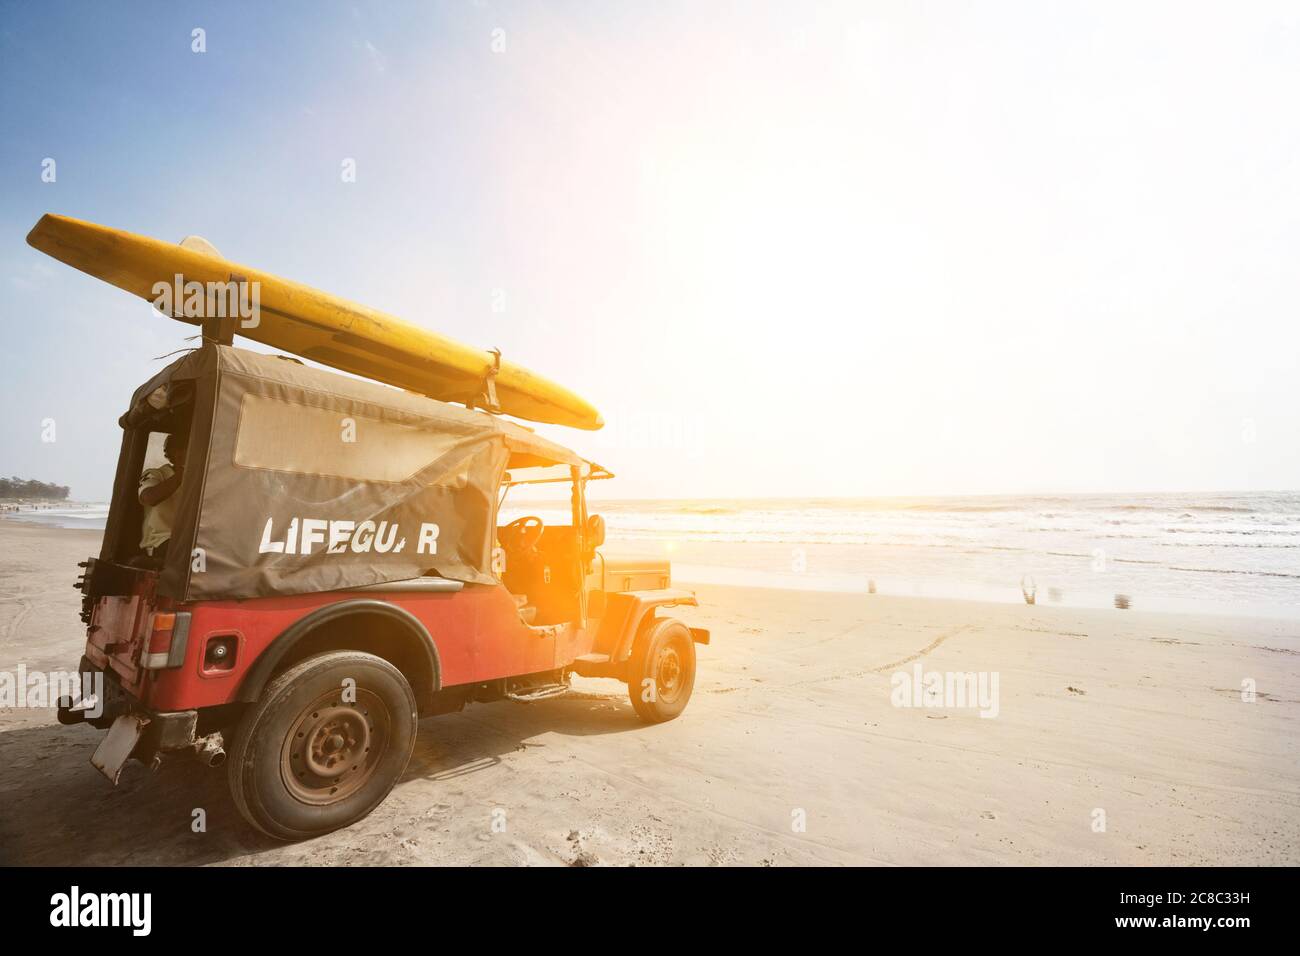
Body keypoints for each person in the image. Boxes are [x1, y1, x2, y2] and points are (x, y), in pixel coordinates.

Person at [138, 432, 186, 566]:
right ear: (176, 455)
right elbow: (148, 498)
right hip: (161, 542)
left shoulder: (204, 479)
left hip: (190, 541)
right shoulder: (155, 474)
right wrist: (183, 474)